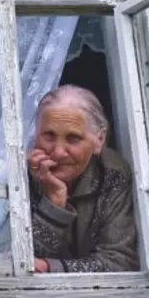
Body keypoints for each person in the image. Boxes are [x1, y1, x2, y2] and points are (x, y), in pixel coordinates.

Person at [27, 85, 139, 273]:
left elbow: (118, 263)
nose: (58, 152)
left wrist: (49, 267)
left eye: (73, 138)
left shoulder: (112, 175)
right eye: (49, 136)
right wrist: (53, 203)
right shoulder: (19, 178)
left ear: (99, 140)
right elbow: (14, 261)